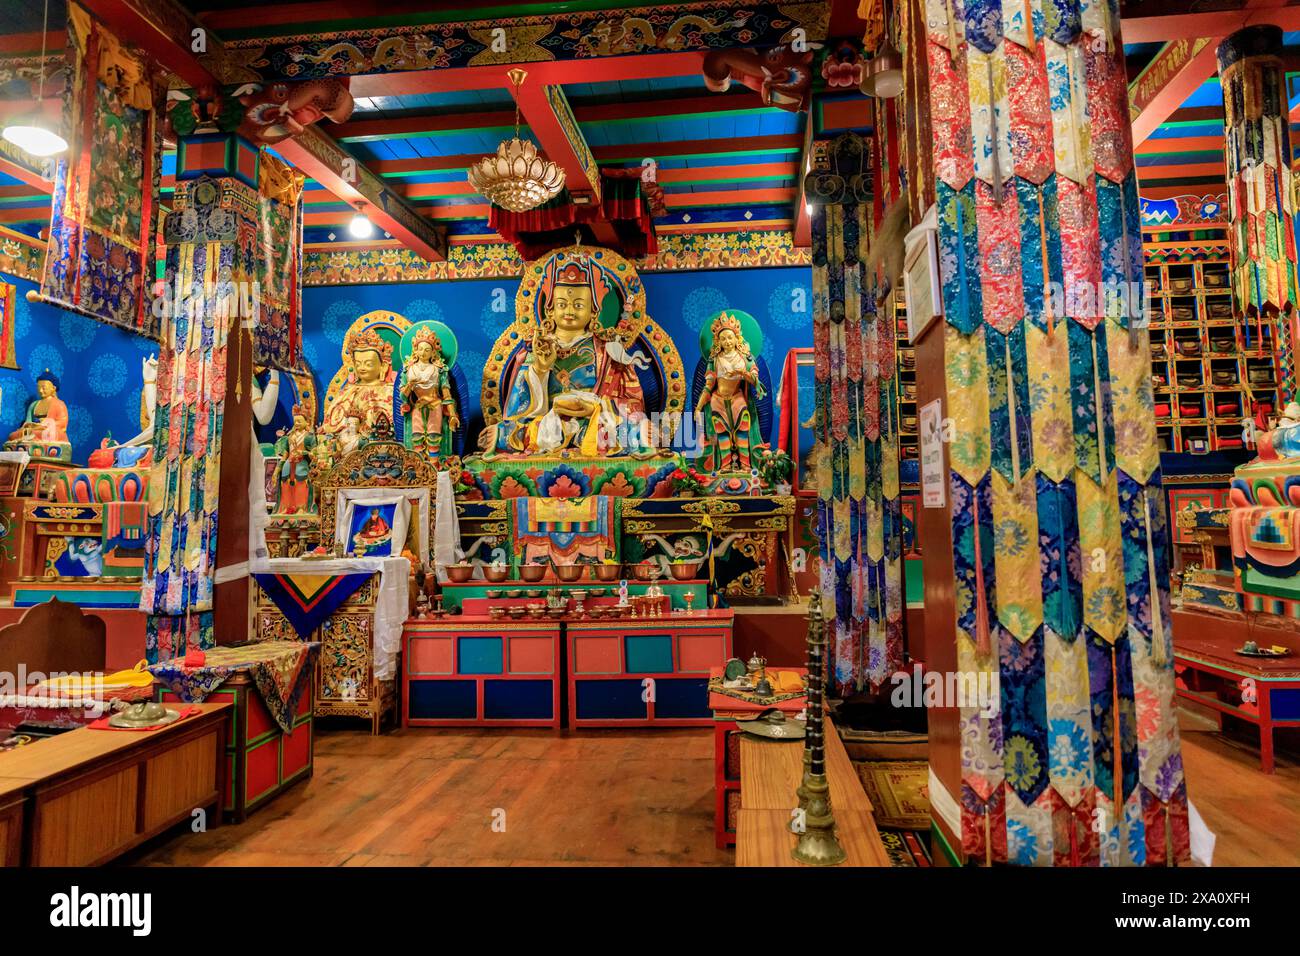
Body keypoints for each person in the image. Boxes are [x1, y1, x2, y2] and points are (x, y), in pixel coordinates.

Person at [696, 313, 764, 471]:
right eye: (723, 338)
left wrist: (743, 374)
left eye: (730, 337)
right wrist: (699, 407)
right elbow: (708, 385)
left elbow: (755, 381)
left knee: (743, 428)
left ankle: (746, 465)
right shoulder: (714, 360)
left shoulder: (745, 358)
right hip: (717, 400)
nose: (727, 341)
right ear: (718, 341)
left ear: (737, 338)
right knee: (721, 432)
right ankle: (725, 465)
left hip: (737, 398)